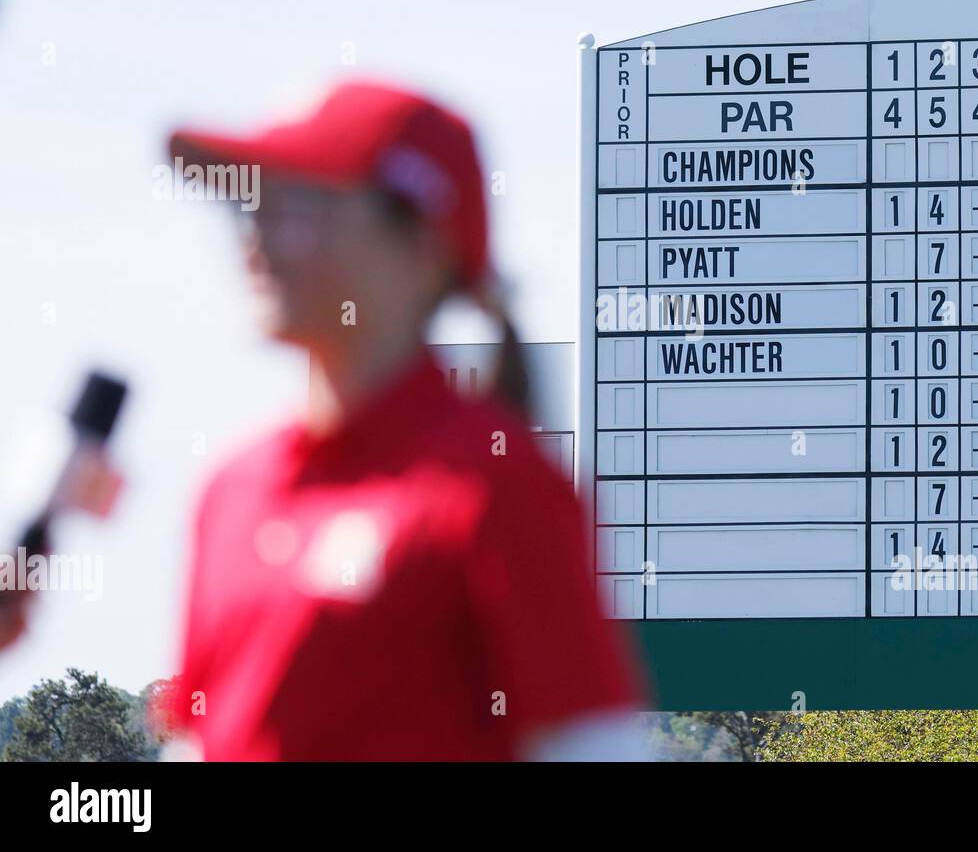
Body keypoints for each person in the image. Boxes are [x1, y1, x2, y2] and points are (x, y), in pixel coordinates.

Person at [166, 82, 644, 760]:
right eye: (249, 207)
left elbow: (593, 749)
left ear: (422, 244)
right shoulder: (230, 489)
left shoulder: (497, 483)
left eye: (298, 203)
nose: (256, 238)